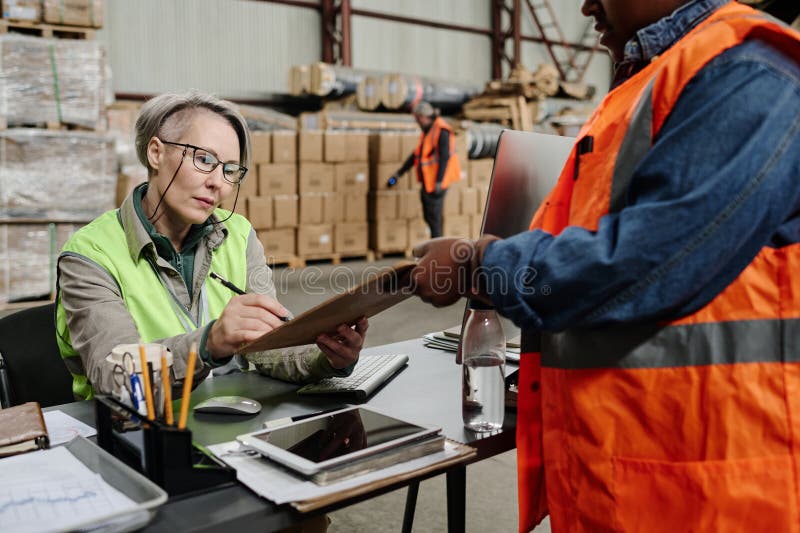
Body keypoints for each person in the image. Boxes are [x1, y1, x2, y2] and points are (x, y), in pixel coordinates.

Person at [411, 0, 800, 531]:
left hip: (715, 489)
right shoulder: (646, 86)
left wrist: (475, 266)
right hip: (628, 473)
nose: (586, 3)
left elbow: (647, 260)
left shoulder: (745, 69)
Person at [56, 91, 368, 400]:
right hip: (135, 434)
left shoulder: (239, 235)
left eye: (230, 170)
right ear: (156, 153)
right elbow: (116, 379)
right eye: (204, 159)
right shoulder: (90, 254)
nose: (218, 183)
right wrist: (208, 344)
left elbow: (265, 349)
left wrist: (326, 358)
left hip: (226, 424)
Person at [386, 101, 462, 238]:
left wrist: (439, 181)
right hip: (429, 181)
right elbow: (417, 155)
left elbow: (445, 156)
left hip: (438, 182)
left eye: (417, 119)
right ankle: (436, 245)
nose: (417, 122)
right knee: (429, 216)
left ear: (423, 116)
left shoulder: (441, 130)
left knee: (434, 217)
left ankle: (437, 248)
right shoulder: (428, 131)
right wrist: (398, 174)